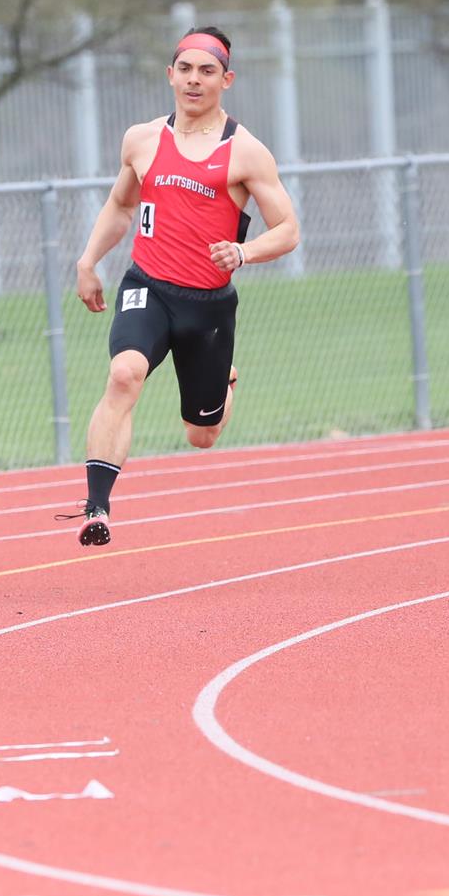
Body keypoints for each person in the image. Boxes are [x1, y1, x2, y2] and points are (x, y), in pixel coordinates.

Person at [62, 27, 299, 545]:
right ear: (171, 74)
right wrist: (87, 261)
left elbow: (288, 230)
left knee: (202, 435)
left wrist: (243, 251)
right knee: (124, 374)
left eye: (207, 71)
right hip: (147, 286)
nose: (194, 81)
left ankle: (224, 379)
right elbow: (122, 206)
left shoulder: (246, 152)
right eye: (185, 69)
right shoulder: (142, 139)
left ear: (226, 79)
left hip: (208, 305)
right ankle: (97, 507)